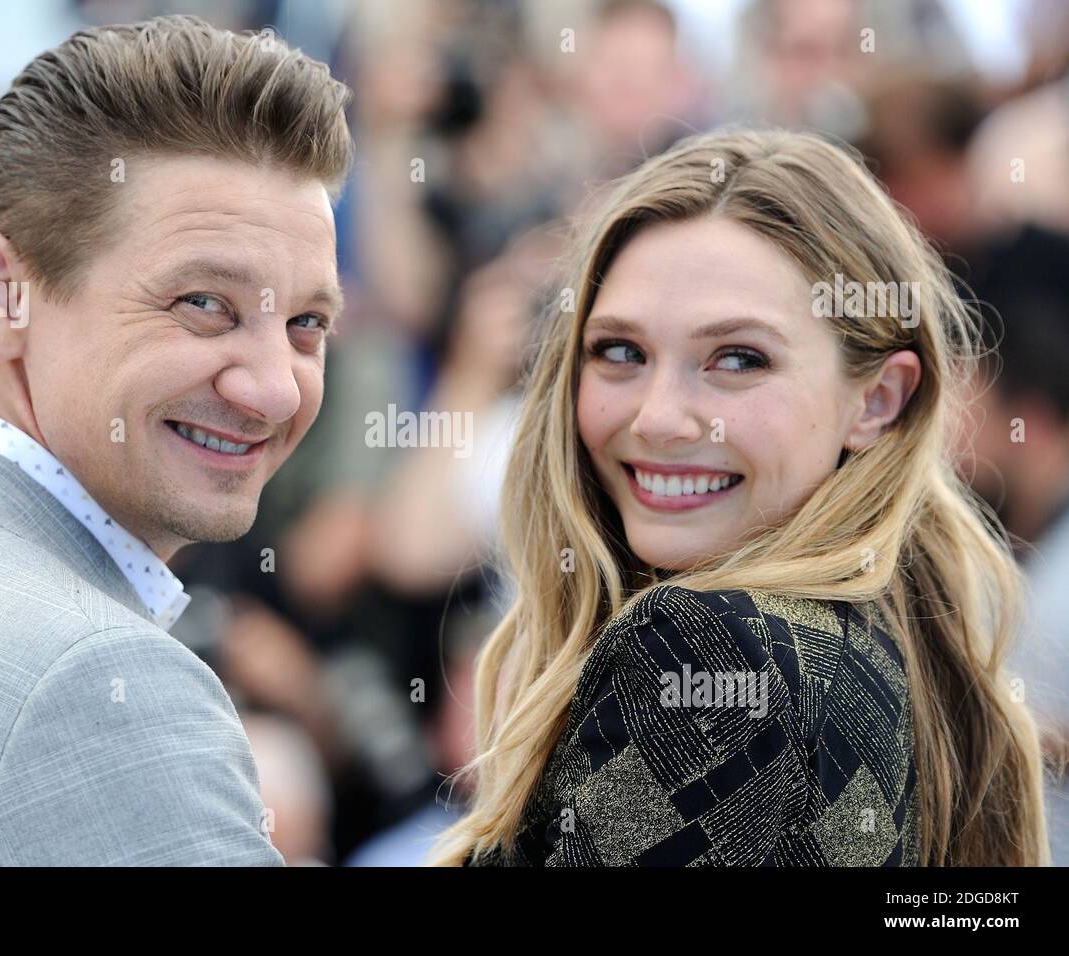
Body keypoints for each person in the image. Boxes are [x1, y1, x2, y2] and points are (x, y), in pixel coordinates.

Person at [0, 15, 352, 866]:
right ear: (0, 296)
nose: (274, 387)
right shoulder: (110, 687)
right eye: (203, 304)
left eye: (307, 324)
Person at [430, 129, 1048, 866]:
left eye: (738, 358)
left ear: (878, 399)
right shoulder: (874, 640)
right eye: (620, 352)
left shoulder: (711, 651)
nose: (657, 417)